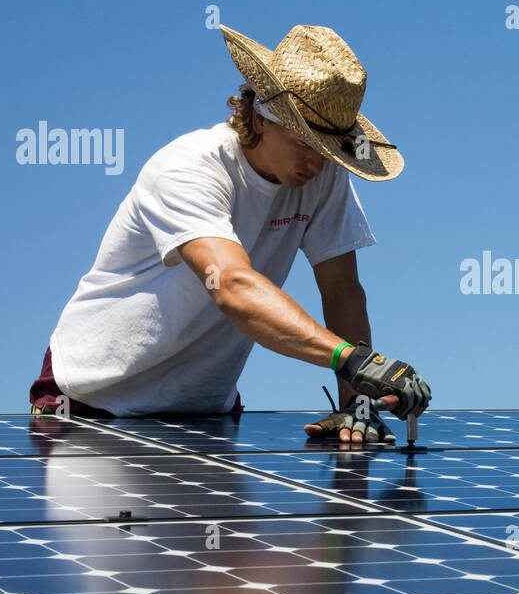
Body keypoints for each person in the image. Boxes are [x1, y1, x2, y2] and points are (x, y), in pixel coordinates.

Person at [29, 24, 430, 444]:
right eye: (306, 143)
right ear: (261, 118)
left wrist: (357, 405)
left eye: (330, 150)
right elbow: (232, 285)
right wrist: (350, 359)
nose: (318, 162)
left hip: (204, 411)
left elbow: (342, 290)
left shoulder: (322, 177)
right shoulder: (188, 168)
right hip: (92, 400)